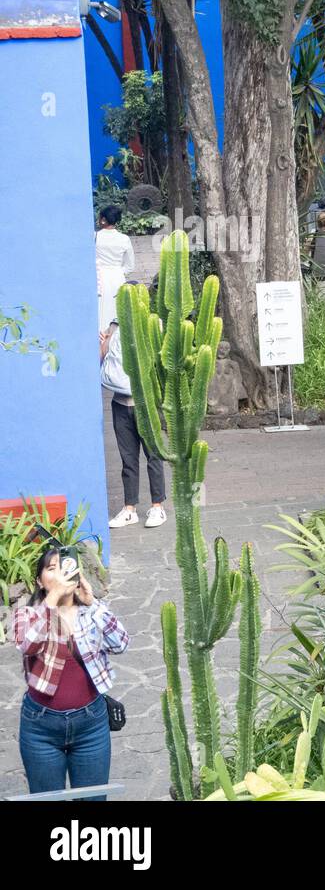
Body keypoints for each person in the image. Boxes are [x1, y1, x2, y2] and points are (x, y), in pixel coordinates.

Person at [15, 545, 129, 798]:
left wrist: (93, 602)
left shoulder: (91, 612)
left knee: (93, 798)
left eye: (64, 567)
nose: (58, 574)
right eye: (51, 569)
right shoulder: (28, 614)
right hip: (40, 726)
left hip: (91, 723)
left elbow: (121, 643)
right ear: (40, 581)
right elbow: (28, 643)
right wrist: (52, 600)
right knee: (46, 798)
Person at [101, 318, 167, 529]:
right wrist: (105, 341)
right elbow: (102, 358)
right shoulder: (114, 326)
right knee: (127, 459)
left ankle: (158, 506)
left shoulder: (152, 322)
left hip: (145, 403)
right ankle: (129, 509)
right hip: (120, 403)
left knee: (153, 455)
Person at [95, 206, 135, 333]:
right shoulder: (124, 239)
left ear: (103, 220)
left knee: (100, 311)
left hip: (99, 277)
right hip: (117, 278)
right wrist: (118, 272)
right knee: (116, 311)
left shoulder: (95, 237)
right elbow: (130, 266)